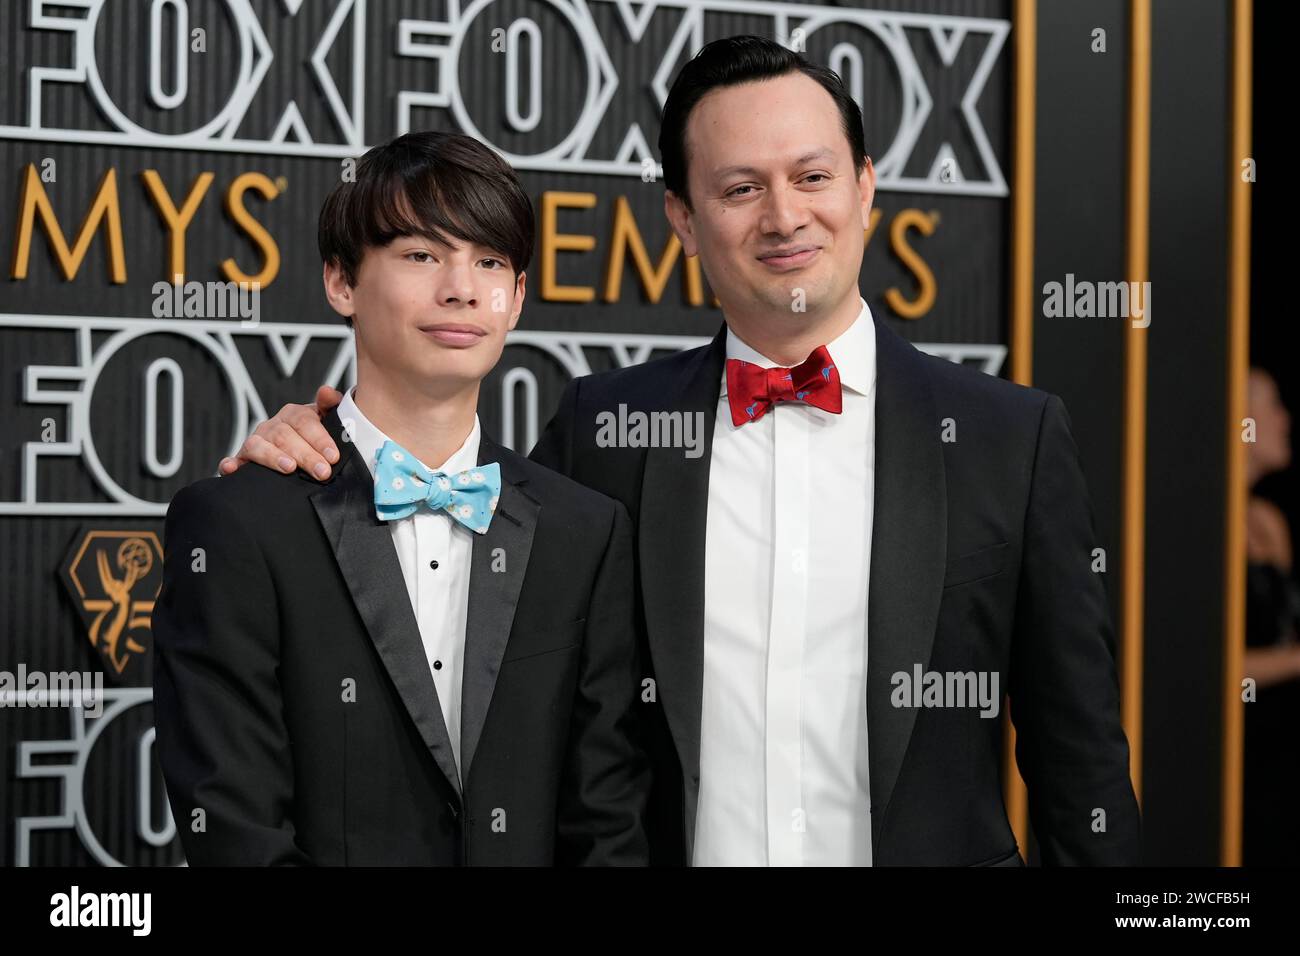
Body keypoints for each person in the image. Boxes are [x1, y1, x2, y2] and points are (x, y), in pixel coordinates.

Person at [223, 36, 1141, 866]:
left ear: (865, 185)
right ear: (682, 218)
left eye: (812, 177)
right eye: (740, 189)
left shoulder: (1008, 439)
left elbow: (1079, 756)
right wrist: (317, 445)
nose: (784, 217)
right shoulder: (602, 432)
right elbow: (431, 517)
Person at [152, 131, 650, 865]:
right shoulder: (236, 524)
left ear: (516, 299)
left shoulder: (584, 530)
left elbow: (607, 822)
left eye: (490, 262)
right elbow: (235, 825)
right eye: (421, 255)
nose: (461, 288)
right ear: (341, 282)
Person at [1242, 367, 1300, 865]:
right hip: (1236, 747)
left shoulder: (1269, 520)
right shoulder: (1202, 524)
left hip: (1284, 745)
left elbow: (1285, 640)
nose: (1285, 419)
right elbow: (1213, 669)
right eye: (1273, 404)